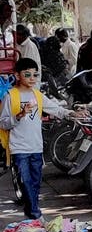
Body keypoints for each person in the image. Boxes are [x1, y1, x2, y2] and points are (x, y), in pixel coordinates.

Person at [0, 58, 83, 219]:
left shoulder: (38, 96)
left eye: (35, 75)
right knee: (25, 181)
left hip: (36, 147)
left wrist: (71, 113)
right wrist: (20, 115)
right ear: (17, 75)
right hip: (19, 148)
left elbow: (55, 109)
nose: (32, 78)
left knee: (36, 182)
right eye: (27, 74)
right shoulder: (10, 96)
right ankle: (35, 214)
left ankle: (32, 211)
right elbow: (3, 123)